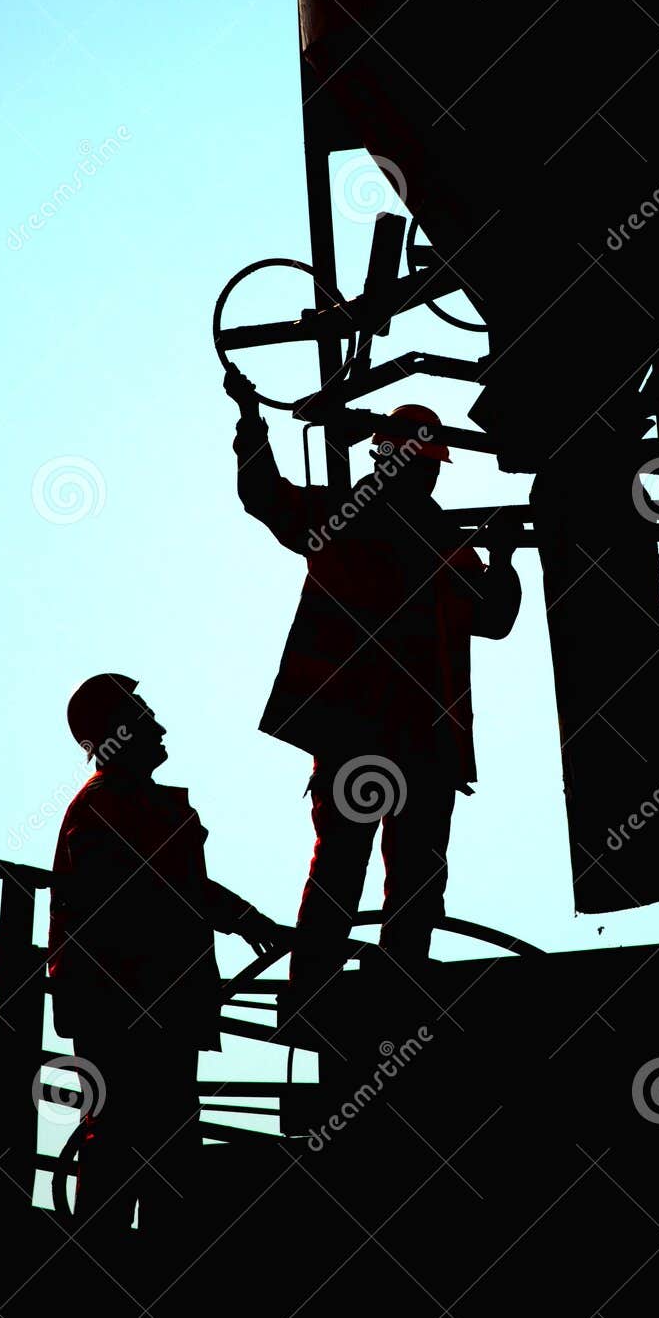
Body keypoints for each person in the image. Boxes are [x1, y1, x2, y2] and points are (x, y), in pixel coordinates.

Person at [225, 366, 521, 1027]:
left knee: (354, 867)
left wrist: (251, 420)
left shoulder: (360, 524)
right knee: (408, 874)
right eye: (429, 466)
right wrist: (500, 555)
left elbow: (263, 494)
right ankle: (394, 983)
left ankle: (324, 988)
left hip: (362, 737)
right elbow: (495, 616)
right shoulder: (438, 543)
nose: (433, 477)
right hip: (410, 742)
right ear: (412, 466)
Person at [47, 673, 279, 1245]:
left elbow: (169, 885)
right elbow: (158, 888)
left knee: (154, 1134)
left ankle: (135, 1258)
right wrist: (242, 918)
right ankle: (113, 1258)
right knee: (136, 1131)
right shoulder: (105, 809)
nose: (160, 726)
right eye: (145, 717)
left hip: (152, 1000)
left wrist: (240, 917)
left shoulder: (128, 807)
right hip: (134, 1003)